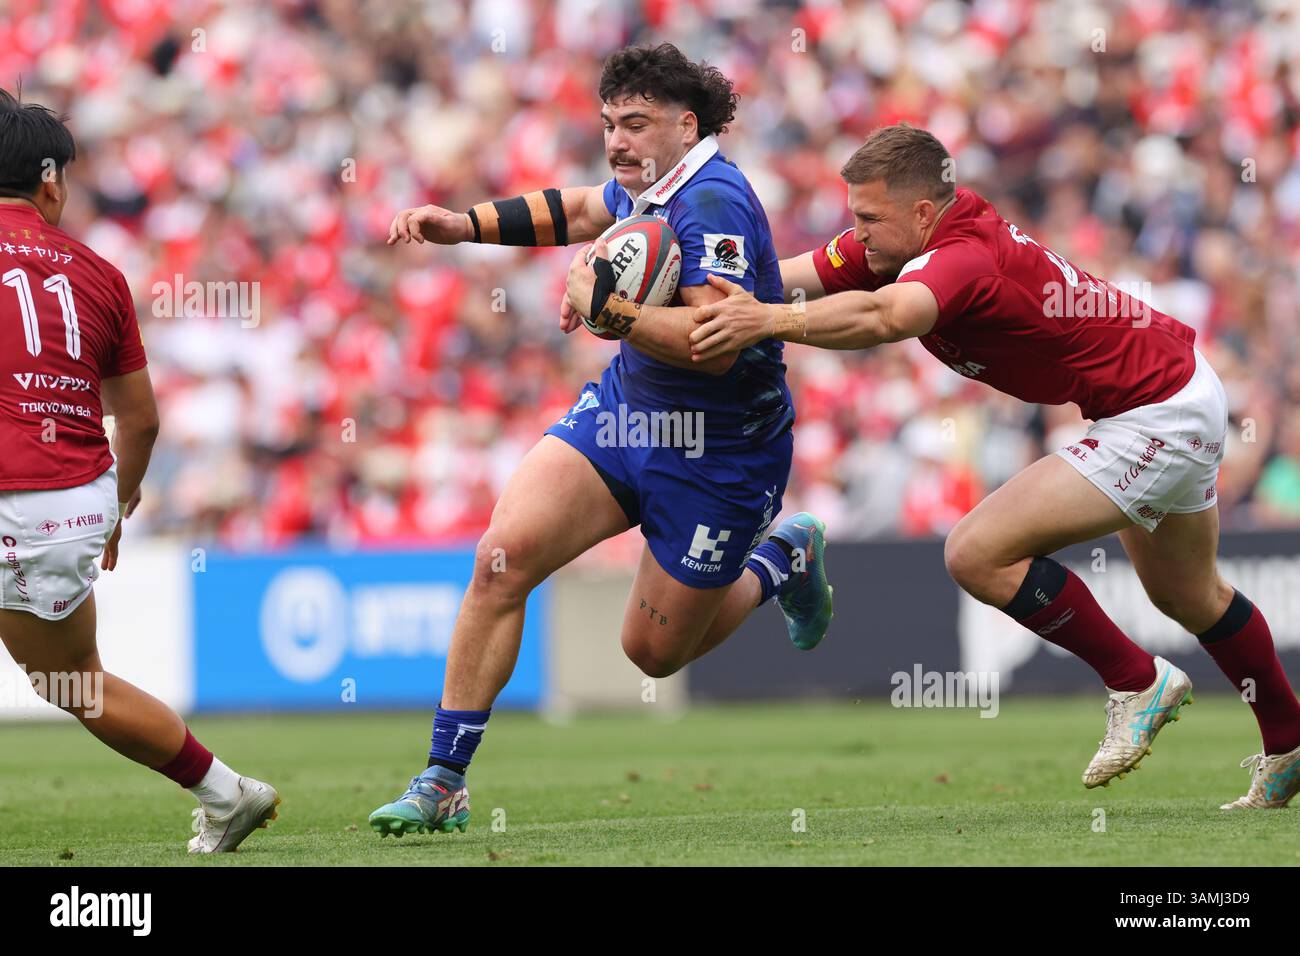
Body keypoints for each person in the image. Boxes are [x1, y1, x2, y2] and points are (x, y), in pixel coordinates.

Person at [689, 122, 1300, 809]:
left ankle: (1136, 681)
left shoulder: (962, 257)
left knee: (977, 552)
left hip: (1158, 411)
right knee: (1189, 596)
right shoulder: (904, 240)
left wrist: (767, 323)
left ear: (922, 212)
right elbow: (787, 276)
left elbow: (888, 318)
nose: (854, 233)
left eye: (867, 218)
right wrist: (699, 283)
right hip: (1171, 390)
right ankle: (1291, 741)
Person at [369, 43, 833, 838]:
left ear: (687, 127)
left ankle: (781, 557)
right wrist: (465, 225)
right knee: (499, 558)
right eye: (611, 122)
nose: (617, 140)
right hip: (625, 416)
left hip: (719, 453)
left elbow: (715, 337)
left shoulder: (713, 199)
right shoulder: (643, 184)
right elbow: (583, 211)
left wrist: (607, 311)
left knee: (652, 654)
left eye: (638, 124)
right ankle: (443, 778)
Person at [0, 89, 280, 851]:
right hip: (71, 501)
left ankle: (228, 793)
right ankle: (226, 793)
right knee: (78, 683)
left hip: (11, 492)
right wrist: (118, 511)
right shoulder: (98, 273)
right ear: (50, 182)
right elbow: (143, 419)